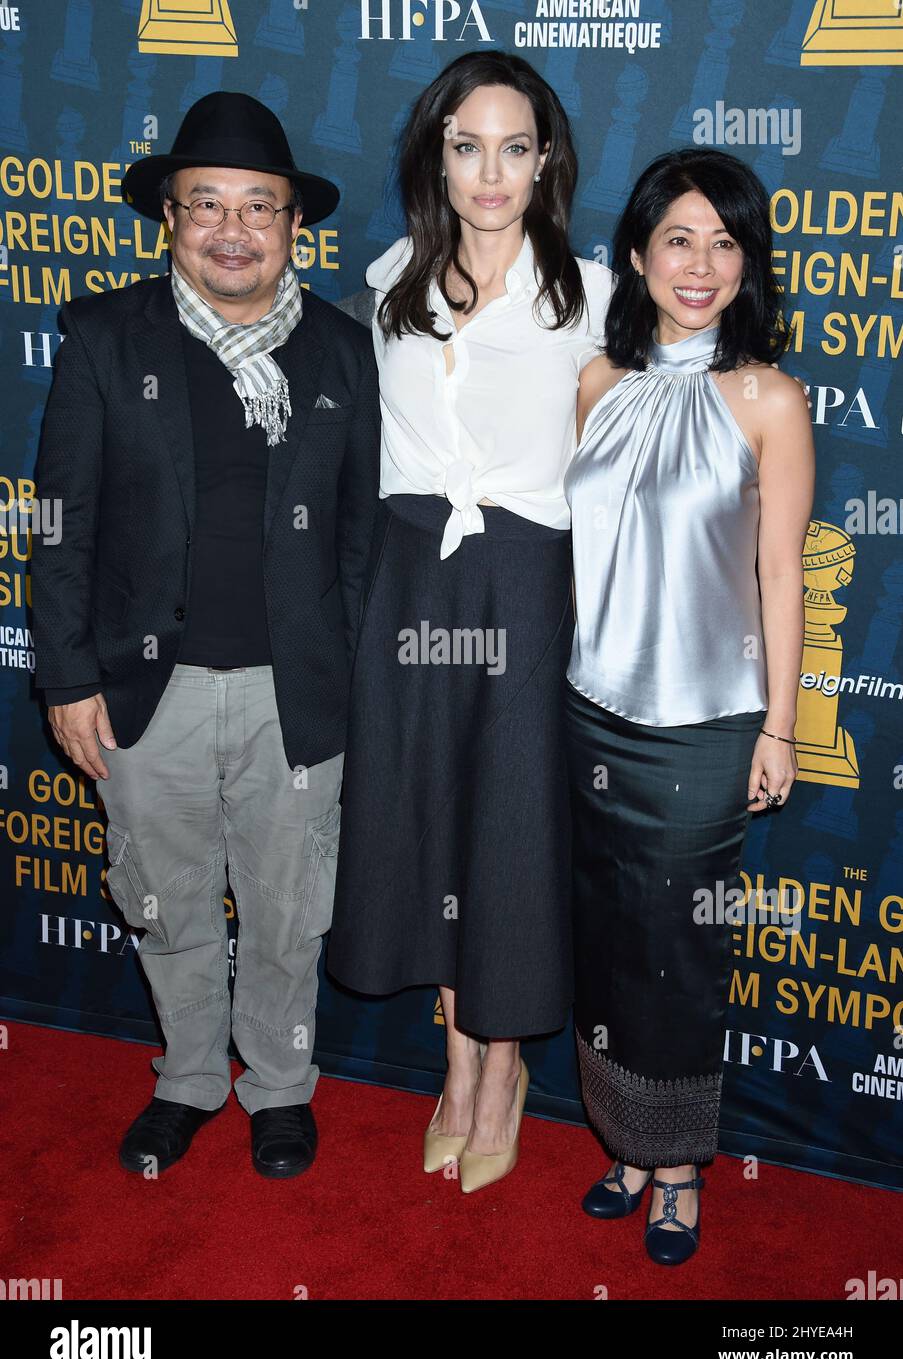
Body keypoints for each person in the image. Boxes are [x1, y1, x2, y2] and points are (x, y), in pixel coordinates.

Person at [30, 91, 380, 1179]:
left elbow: (364, 540)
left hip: (295, 692)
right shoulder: (100, 336)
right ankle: (187, 1080)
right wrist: (65, 677)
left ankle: (279, 1088)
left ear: (292, 224)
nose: (234, 229)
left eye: (259, 207)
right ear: (170, 219)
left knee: (288, 913)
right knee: (166, 903)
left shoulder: (343, 350)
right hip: (145, 690)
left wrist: (350, 679)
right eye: (208, 206)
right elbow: (59, 520)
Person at [327, 50, 612, 1194]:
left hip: (528, 582)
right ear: (434, 156)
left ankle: (505, 1074)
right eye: (465, 145)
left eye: (513, 146)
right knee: (429, 817)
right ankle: (454, 1065)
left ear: (544, 162)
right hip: (410, 577)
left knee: (511, 829)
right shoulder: (392, 275)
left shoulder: (590, 297)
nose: (488, 173)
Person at [565, 147, 814, 1262]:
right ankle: (622, 1144)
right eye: (680, 238)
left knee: (676, 947)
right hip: (589, 708)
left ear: (748, 261)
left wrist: (779, 726)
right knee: (610, 940)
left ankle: (679, 1168)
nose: (702, 263)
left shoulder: (768, 396)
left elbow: (780, 574)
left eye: (726, 241)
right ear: (637, 254)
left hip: (707, 723)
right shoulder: (596, 384)